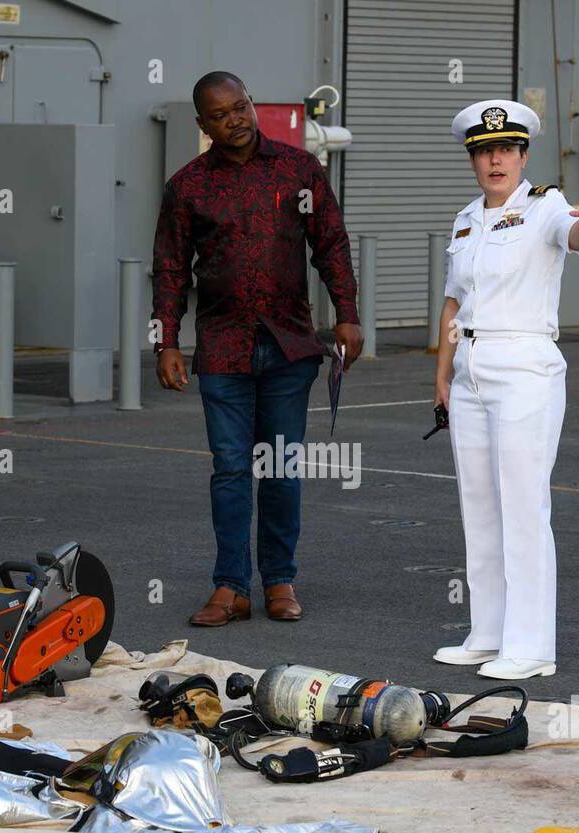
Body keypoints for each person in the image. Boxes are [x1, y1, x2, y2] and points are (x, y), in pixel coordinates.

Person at [151, 71, 363, 626]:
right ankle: (230, 587)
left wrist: (348, 315)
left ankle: (279, 580)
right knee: (228, 468)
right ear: (203, 124)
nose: (236, 119)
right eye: (220, 114)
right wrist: (165, 341)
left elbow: (331, 245)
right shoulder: (188, 185)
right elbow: (171, 270)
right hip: (222, 350)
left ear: (251, 104)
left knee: (282, 468)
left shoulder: (299, 169)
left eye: (241, 106)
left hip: (290, 345)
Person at [431, 100, 579, 680]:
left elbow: (577, 236)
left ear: (523, 155)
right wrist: (442, 374)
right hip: (469, 366)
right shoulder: (466, 218)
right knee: (480, 505)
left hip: (524, 367)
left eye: (507, 150)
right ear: (472, 158)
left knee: (522, 505)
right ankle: (488, 632)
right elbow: (452, 301)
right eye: (484, 151)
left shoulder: (544, 206)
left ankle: (531, 644)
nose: (496, 160)